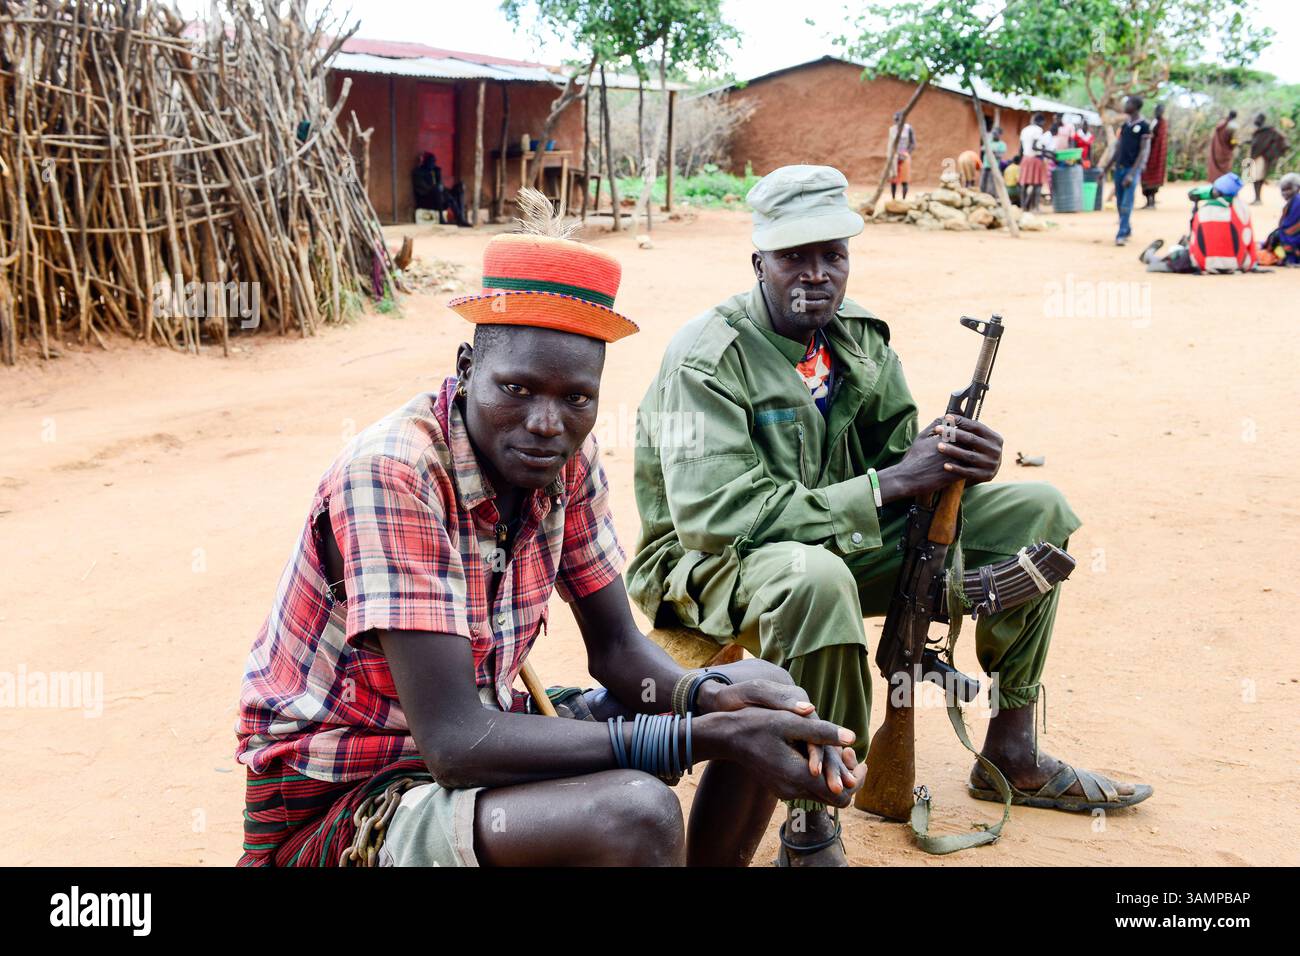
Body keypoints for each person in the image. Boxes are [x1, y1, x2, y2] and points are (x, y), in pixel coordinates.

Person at [234, 189, 866, 869]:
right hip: (347, 798)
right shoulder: (394, 474)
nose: (546, 423)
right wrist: (700, 733)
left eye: (576, 399)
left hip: (482, 730)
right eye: (516, 389)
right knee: (638, 811)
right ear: (467, 369)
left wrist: (714, 701)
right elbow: (454, 743)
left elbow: (619, 648)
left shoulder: (566, 460)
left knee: (766, 701)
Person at [627, 164, 1153, 865]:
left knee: (1037, 509)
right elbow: (715, 517)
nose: (816, 275)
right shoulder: (708, 359)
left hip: (834, 539)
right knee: (816, 579)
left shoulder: (857, 338)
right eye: (794, 258)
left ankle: (1013, 752)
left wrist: (956, 465)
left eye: (833, 256)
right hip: (709, 567)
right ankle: (811, 823)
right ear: (759, 261)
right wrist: (885, 486)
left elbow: (899, 460)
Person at [1138, 173, 1260, 273]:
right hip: (1236, 263)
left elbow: (1195, 244)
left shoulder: (1203, 212)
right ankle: (1152, 256)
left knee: (1178, 256)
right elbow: (1249, 240)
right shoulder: (1243, 210)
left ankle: (1150, 257)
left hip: (1204, 263)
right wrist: (1251, 264)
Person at [1102, 95, 1152, 246]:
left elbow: (1143, 151)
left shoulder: (1144, 125)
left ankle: (1121, 234)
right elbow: (1118, 148)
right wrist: (1105, 169)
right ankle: (1127, 228)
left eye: (1128, 102)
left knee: (1126, 203)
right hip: (1120, 168)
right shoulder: (1125, 125)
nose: (1125, 104)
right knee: (1119, 202)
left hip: (1132, 169)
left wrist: (1132, 173)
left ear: (1135, 106)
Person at [1247, 113, 1289, 205]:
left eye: (1257, 118)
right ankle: (1257, 198)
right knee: (1255, 178)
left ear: (1261, 120)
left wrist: (1274, 152)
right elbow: (1256, 142)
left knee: (1258, 178)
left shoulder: (1269, 130)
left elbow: (1282, 139)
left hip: (1262, 157)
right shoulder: (1258, 132)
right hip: (1255, 157)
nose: (1255, 120)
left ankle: (1258, 199)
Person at [1263, 171, 1300, 264]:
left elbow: (1286, 227)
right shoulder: (1290, 203)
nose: (1285, 193)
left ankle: (1288, 258)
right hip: (1291, 236)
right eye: (1283, 190)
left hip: (1293, 238)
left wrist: (1282, 233)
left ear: (1298, 188)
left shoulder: (1297, 201)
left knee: (1274, 238)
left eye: (1288, 189)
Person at [1018, 113, 1051, 212]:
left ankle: (1023, 206)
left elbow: (1021, 148)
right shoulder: (1038, 130)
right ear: (1041, 122)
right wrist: (1048, 152)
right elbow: (1034, 146)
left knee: (1024, 183)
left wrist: (1020, 160)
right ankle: (1035, 207)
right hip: (1035, 159)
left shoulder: (1025, 130)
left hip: (1025, 158)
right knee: (1037, 184)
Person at [1141, 103, 1169, 209]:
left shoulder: (1162, 123)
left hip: (1156, 156)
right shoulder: (1155, 121)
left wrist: (1150, 137)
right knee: (1146, 178)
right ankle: (1148, 201)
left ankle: (1151, 202)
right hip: (1149, 154)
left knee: (1152, 180)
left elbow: (1160, 139)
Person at [887, 111, 917, 199]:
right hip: (894, 156)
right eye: (896, 120)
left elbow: (913, 143)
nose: (897, 122)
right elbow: (890, 144)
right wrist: (891, 155)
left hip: (905, 156)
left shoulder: (908, 129)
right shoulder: (892, 129)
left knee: (905, 179)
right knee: (893, 178)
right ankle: (893, 199)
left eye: (898, 120)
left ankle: (903, 199)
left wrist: (907, 153)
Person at [1207, 110, 1238, 182]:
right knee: (1225, 171)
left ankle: (1216, 187)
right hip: (1225, 153)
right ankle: (1223, 188)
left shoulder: (1220, 124)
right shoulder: (1232, 126)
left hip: (1216, 151)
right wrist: (1235, 143)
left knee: (1215, 170)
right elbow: (1232, 140)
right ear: (1235, 117)